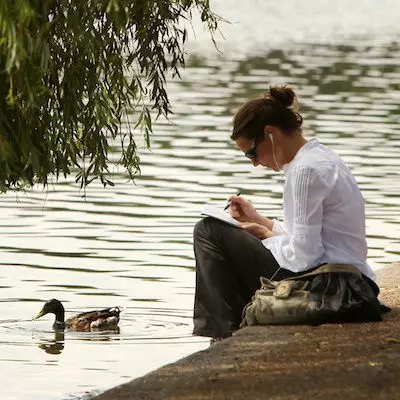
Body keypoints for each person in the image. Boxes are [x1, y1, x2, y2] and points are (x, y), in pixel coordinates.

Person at [192, 85, 382, 340]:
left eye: (251, 153)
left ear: (270, 134)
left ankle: (223, 333)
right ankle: (235, 326)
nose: (255, 163)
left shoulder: (305, 171)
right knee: (222, 232)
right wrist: (259, 221)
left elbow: (304, 257)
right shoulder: (318, 157)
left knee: (208, 231)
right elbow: (312, 240)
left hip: (333, 287)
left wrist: (265, 236)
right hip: (351, 282)